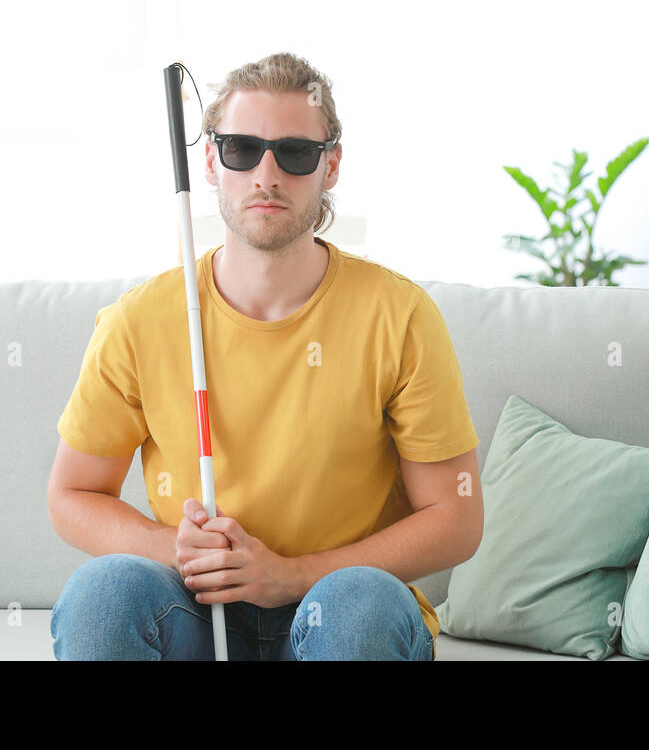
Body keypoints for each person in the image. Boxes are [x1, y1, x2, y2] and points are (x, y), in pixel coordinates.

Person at [47, 52, 483, 660]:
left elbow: (456, 516)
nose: (266, 174)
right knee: (103, 594)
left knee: (359, 607)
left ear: (330, 166)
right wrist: (174, 547)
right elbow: (72, 495)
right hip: (196, 611)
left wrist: (292, 574)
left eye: (296, 153)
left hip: (336, 609)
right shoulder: (140, 320)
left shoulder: (400, 316)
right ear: (209, 159)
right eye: (242, 149)